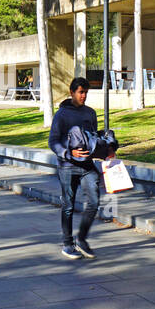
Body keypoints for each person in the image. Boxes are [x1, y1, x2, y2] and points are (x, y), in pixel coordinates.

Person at [49, 77, 101, 259]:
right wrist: (68, 154)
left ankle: (82, 239)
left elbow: (93, 137)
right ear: (72, 92)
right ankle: (67, 243)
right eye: (80, 92)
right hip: (67, 167)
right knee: (68, 206)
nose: (84, 96)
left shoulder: (90, 113)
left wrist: (106, 147)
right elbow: (53, 141)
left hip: (87, 166)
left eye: (86, 92)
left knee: (94, 202)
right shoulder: (62, 115)